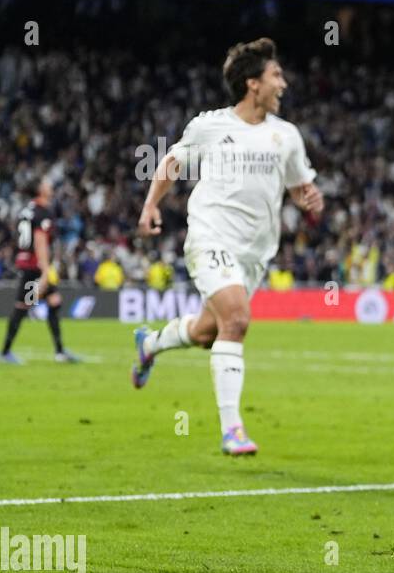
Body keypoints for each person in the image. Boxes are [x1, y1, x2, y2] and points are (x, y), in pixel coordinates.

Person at [132, 37, 324, 455]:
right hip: (210, 236)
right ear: (253, 84)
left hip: (255, 253)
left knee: (207, 332)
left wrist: (310, 198)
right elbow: (171, 163)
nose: (284, 84)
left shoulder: (286, 136)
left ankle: (149, 344)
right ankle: (232, 429)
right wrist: (150, 206)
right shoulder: (211, 126)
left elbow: (299, 187)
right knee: (236, 320)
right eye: (276, 75)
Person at [0, 180, 79, 364]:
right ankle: (5, 352)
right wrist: (44, 271)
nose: (50, 186)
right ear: (41, 190)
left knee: (54, 301)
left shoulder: (27, 210)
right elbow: (40, 241)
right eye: (47, 184)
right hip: (34, 267)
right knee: (22, 308)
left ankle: (60, 352)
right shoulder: (43, 213)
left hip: (27, 262)